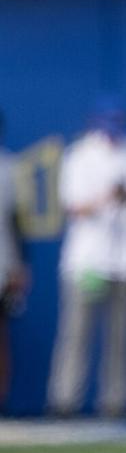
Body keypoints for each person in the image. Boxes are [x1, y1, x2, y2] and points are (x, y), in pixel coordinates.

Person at [48, 97, 126, 418]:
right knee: (76, 334)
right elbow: (74, 206)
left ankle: (116, 402)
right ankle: (64, 401)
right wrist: (108, 195)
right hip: (87, 261)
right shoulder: (79, 155)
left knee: (121, 338)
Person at [0, 110, 26, 410]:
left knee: (2, 335)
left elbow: (17, 220)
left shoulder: (7, 167)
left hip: (3, 262)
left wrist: (20, 265)